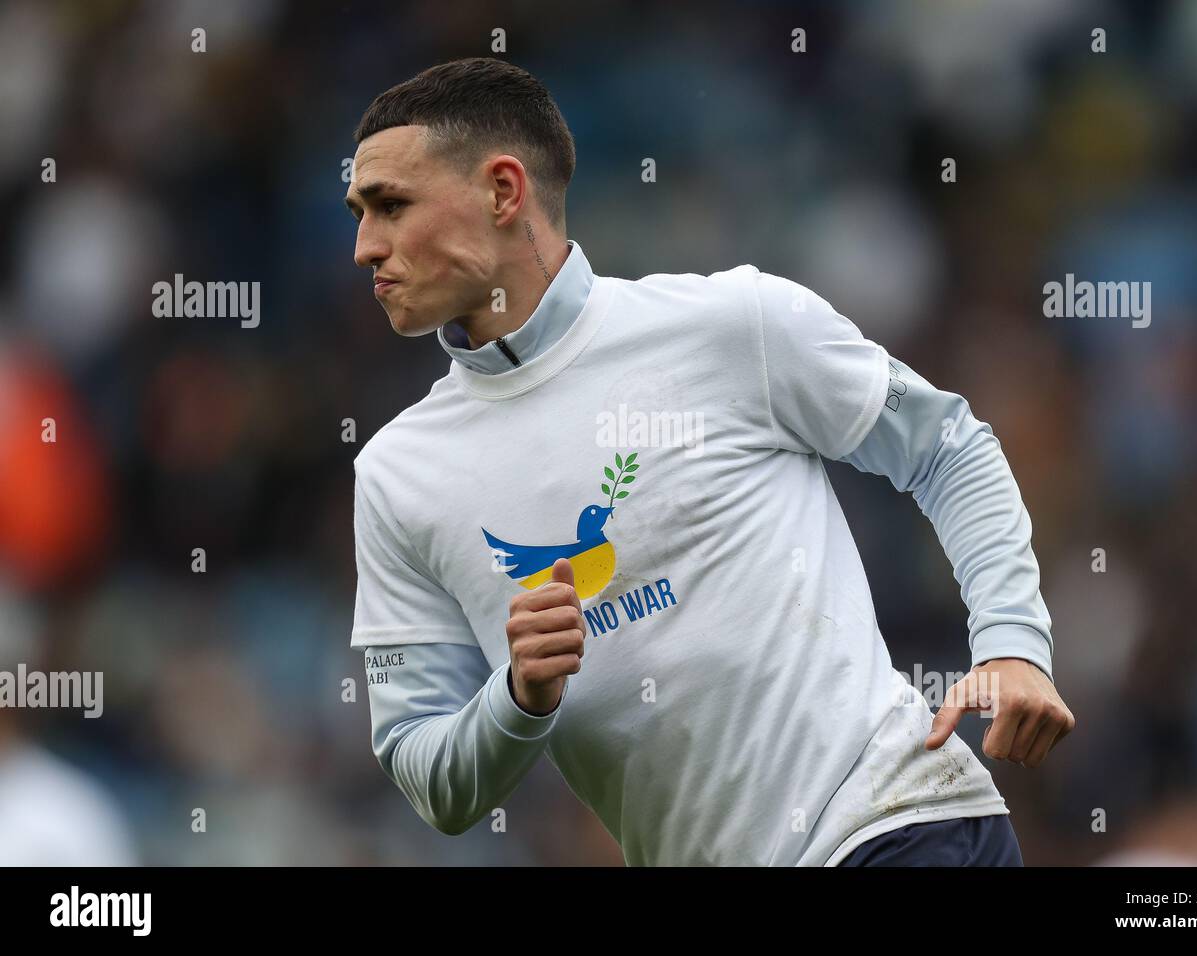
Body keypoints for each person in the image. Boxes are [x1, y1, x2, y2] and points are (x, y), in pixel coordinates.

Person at [345, 57, 1074, 866]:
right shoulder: (393, 476)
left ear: (504, 191)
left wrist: (1011, 642)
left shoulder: (736, 323)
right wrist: (517, 698)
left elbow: (946, 446)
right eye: (358, 212)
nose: (363, 247)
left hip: (891, 823)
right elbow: (430, 779)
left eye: (390, 206)